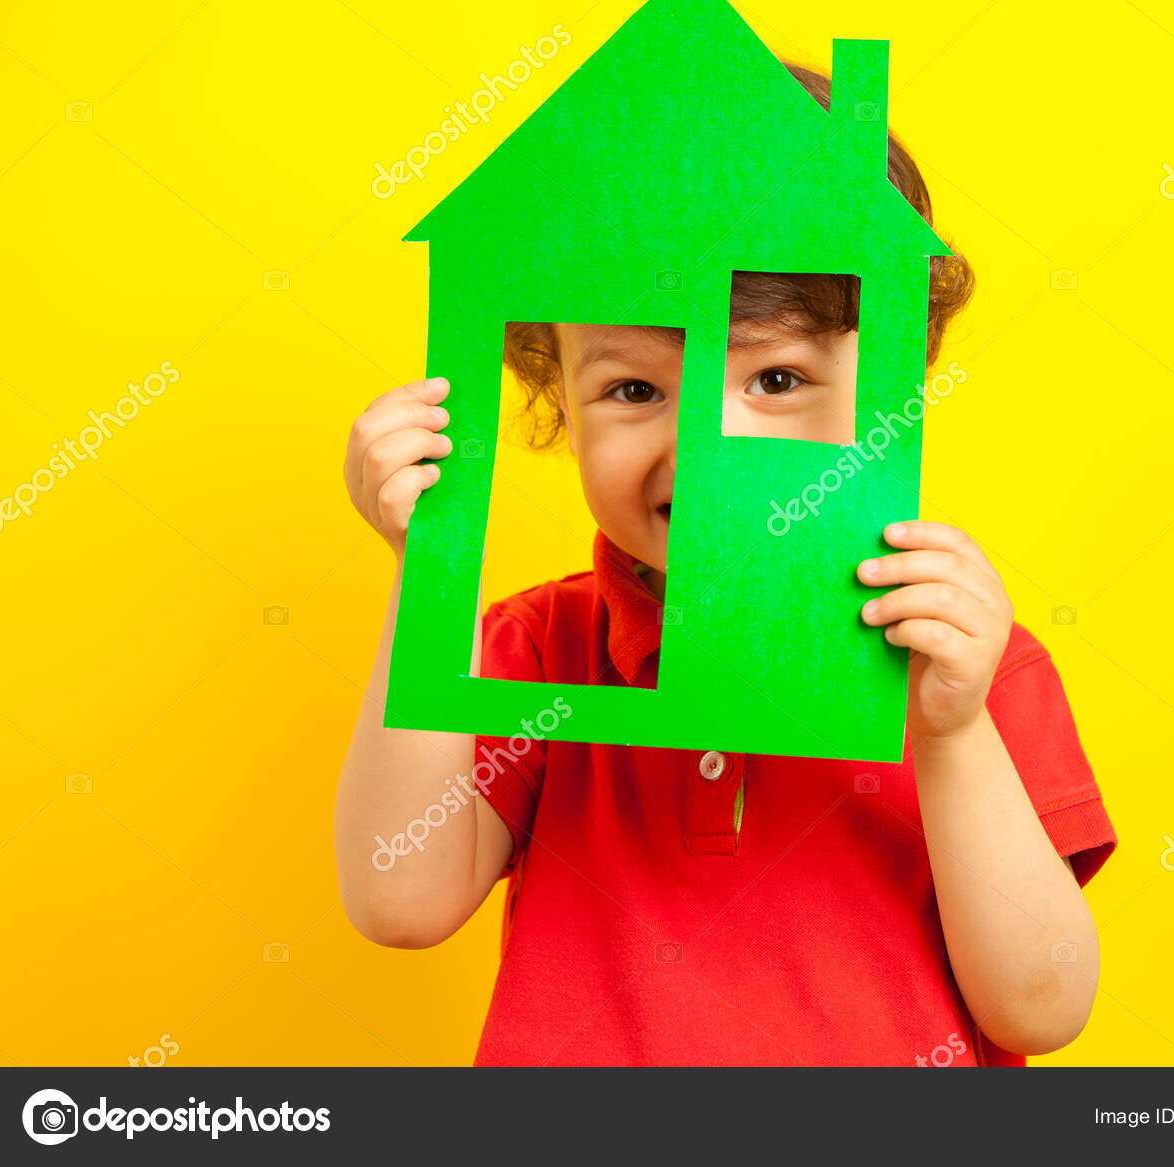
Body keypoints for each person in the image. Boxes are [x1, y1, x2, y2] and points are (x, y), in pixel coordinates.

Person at [336, 63, 1116, 1066]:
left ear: (888, 388)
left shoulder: (973, 667)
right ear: (559, 404)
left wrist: (951, 734)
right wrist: (425, 570)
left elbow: (1040, 1009)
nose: (703, 445)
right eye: (630, 390)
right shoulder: (535, 651)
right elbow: (401, 896)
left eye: (776, 377)